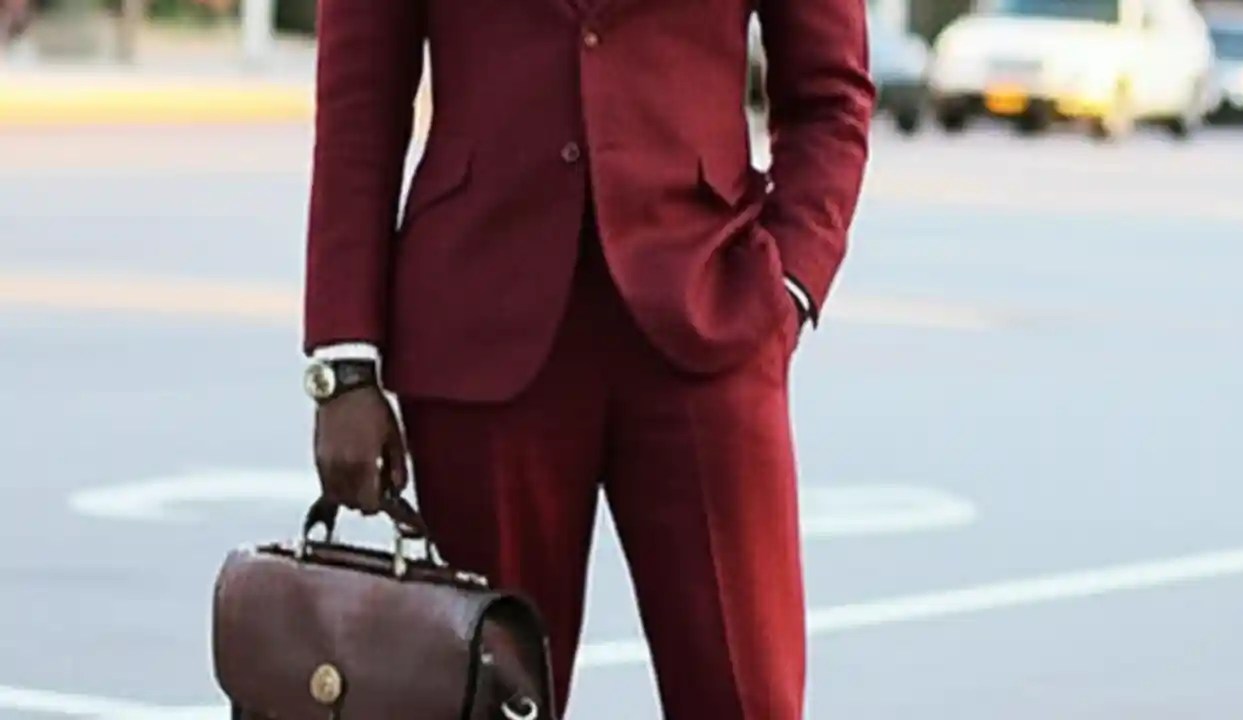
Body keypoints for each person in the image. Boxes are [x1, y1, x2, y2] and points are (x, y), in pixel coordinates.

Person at [301, 0, 874, 717]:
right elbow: (359, 105)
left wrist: (790, 285)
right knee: (490, 703)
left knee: (746, 696)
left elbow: (830, 93)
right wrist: (344, 362)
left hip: (710, 315)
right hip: (479, 329)